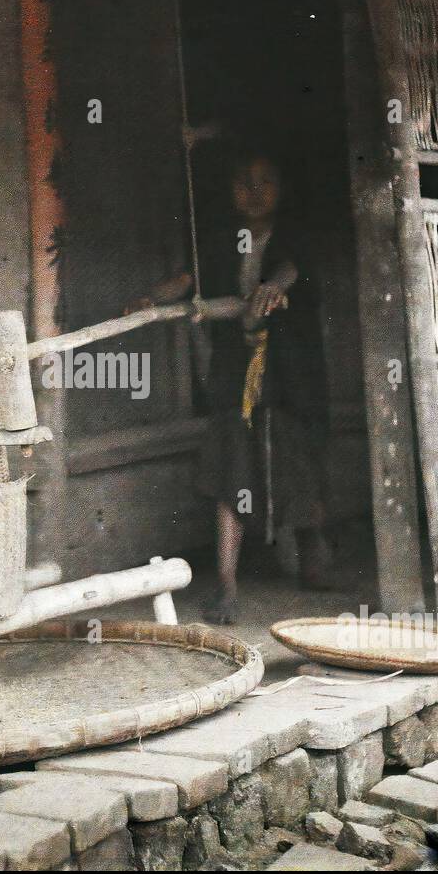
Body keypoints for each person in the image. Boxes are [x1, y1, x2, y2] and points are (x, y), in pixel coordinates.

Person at [130, 147, 329, 624]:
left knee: (298, 460)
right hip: (234, 373)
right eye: (244, 181)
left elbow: (289, 269)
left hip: (288, 373)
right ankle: (227, 582)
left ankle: (316, 564)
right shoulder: (221, 241)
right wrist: (149, 300)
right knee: (231, 468)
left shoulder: (294, 238)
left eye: (265, 181)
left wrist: (273, 289)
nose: (255, 192)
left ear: (282, 187)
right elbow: (186, 281)